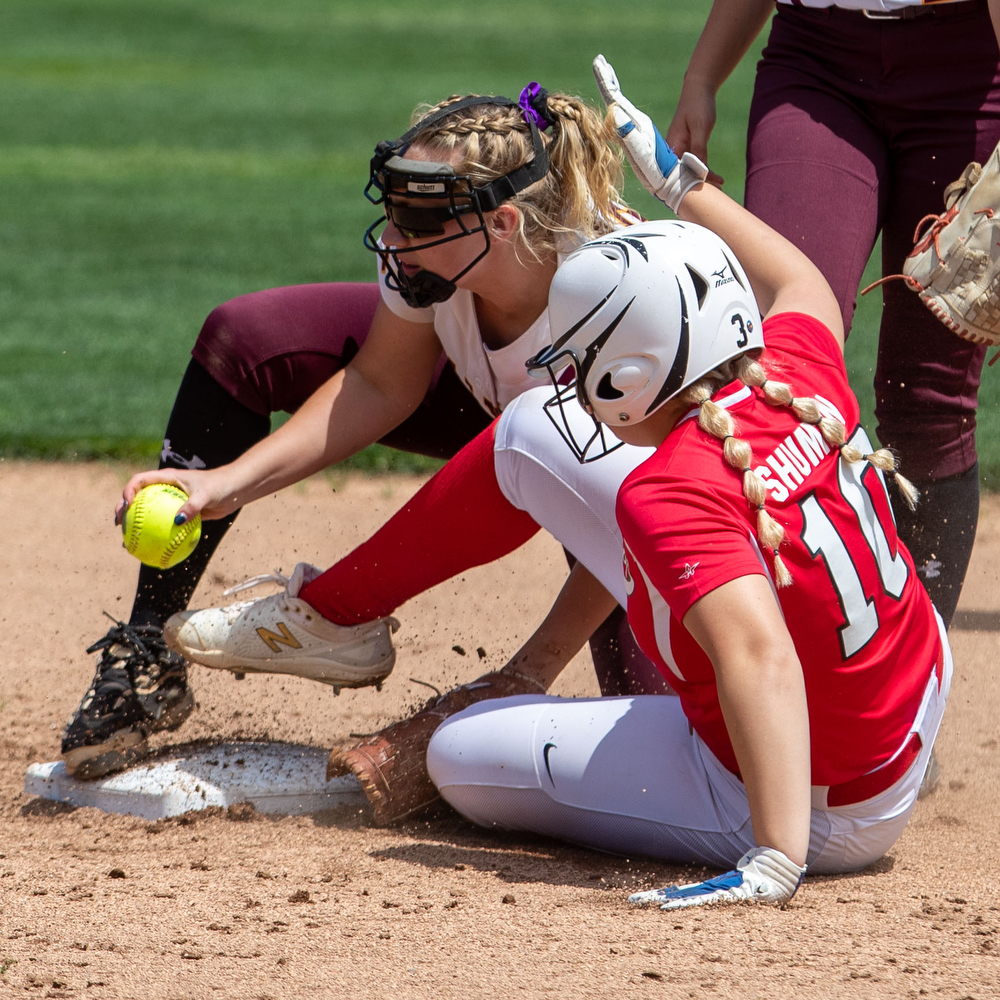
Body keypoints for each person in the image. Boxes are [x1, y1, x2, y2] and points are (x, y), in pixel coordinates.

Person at [423, 95, 952, 909]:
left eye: (582, 363)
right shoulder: (797, 364)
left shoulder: (669, 491)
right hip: (914, 692)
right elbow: (802, 279)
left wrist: (776, 856)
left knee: (456, 755)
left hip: (834, 806)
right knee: (534, 440)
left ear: (629, 375)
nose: (573, 383)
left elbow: (760, 657)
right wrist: (679, 186)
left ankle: (775, 832)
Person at [61, 81, 660, 779]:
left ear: (501, 223)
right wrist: (225, 483)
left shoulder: (616, 294)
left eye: (418, 222)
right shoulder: (440, 259)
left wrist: (526, 671)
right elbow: (382, 383)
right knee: (246, 339)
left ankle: (345, 619)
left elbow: (636, 515)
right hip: (506, 410)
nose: (395, 240)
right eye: (395, 213)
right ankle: (147, 661)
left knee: (663, 730)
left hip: (656, 491)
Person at [659, 0, 1000, 629]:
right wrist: (701, 76)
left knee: (927, 398)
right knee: (777, 359)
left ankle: (918, 664)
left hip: (969, 69)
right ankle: (764, 648)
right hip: (817, 65)